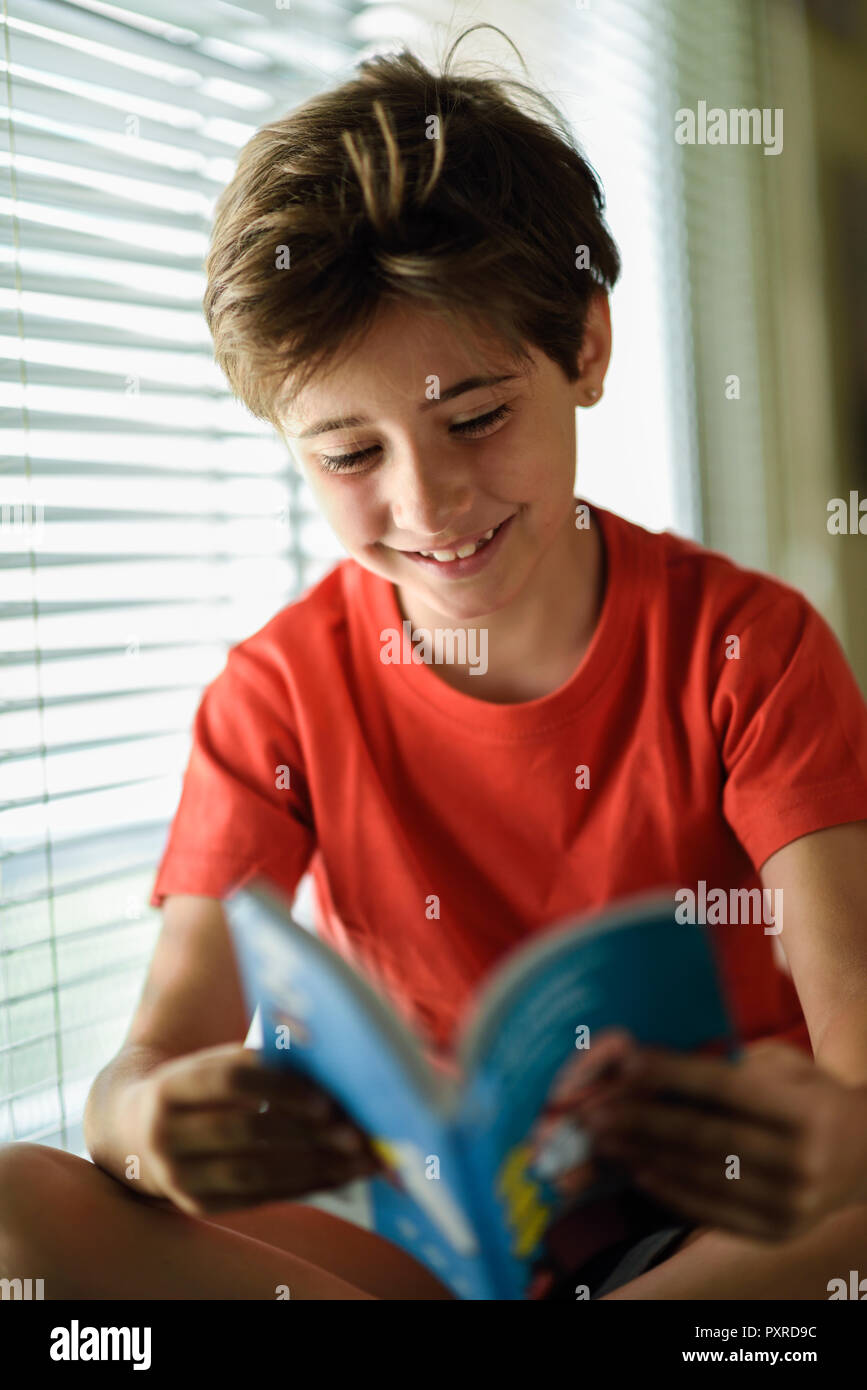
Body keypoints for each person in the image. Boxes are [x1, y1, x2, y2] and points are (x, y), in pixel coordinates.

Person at [3, 29, 867, 1302]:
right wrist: (156, 1125)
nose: (433, 498)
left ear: (584, 346)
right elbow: (144, 1066)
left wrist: (833, 1132)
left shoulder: (751, 646)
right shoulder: (277, 692)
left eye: (476, 417)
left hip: (722, 1230)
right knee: (24, 1210)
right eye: (352, 456)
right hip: (430, 1243)